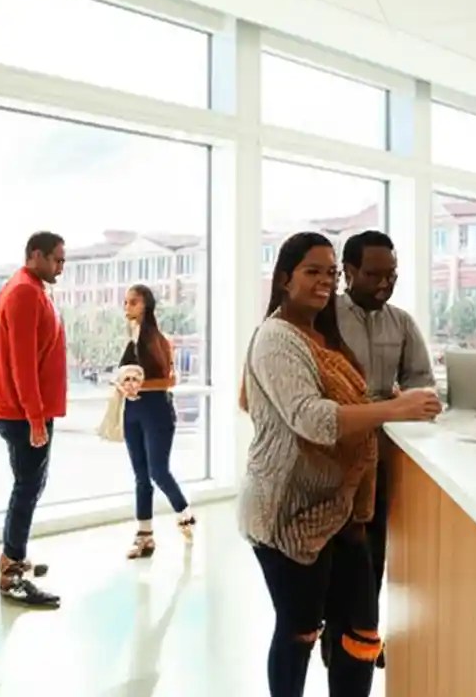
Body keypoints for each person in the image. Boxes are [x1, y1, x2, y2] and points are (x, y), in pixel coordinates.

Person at [239, 232, 442, 697]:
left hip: (344, 510)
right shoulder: (276, 337)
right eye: (313, 271)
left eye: (329, 272)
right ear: (286, 277)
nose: (325, 281)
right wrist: (393, 409)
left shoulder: (323, 333)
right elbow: (312, 418)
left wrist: (391, 401)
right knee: (301, 630)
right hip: (288, 512)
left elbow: (348, 401)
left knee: (362, 631)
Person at [332, 229, 435, 666]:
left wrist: (413, 401)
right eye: (374, 274)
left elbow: (421, 381)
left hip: (386, 454)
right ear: (348, 272)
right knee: (335, 549)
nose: (384, 283)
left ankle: (364, 636)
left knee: (373, 549)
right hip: (335, 452)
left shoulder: (402, 322)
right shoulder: (324, 317)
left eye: (391, 275)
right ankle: (332, 637)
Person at [0, 231, 66, 608]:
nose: (60, 268)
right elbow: (21, 362)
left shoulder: (32, 288)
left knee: (31, 484)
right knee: (27, 487)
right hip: (21, 413)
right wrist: (34, 418)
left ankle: (14, 556)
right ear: (36, 255)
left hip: (30, 410)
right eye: (57, 260)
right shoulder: (23, 292)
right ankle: (11, 570)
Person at [118, 284, 196, 560]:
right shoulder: (130, 337)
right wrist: (123, 385)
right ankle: (144, 537)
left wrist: (140, 386)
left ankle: (184, 513)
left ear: (146, 306)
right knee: (141, 476)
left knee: (158, 471)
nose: (127, 307)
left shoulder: (157, 340)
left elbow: (170, 381)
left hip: (156, 411)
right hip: (132, 412)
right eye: (126, 302)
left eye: (133, 302)